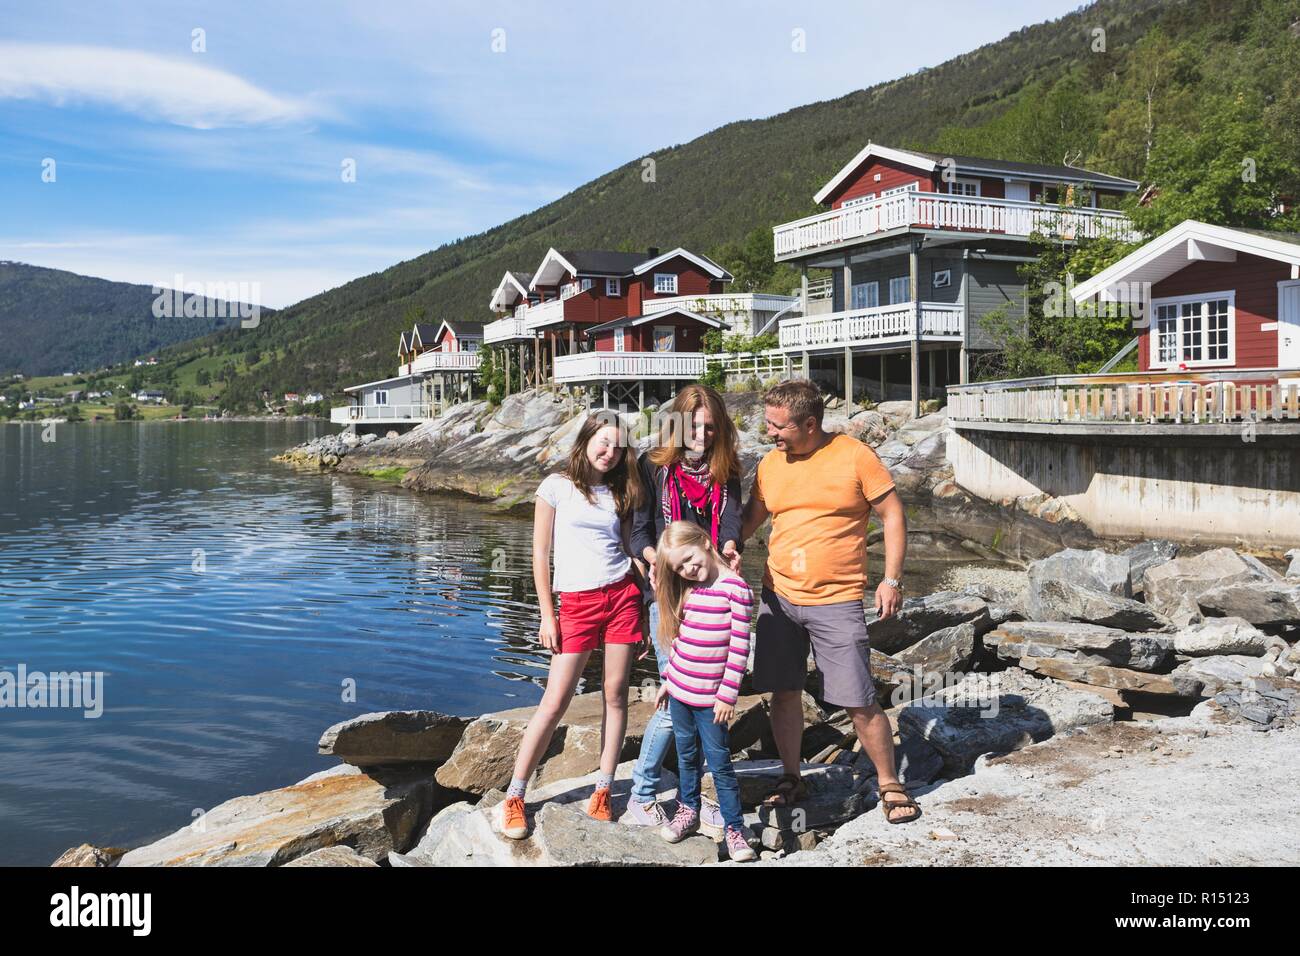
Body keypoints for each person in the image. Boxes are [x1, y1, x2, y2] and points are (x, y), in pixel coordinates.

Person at [739, 380, 921, 824]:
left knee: (858, 697)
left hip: (837, 599)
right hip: (777, 598)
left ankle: (889, 783)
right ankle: (790, 775)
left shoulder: (855, 456)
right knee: (783, 691)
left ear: (810, 423)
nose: (770, 433)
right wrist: (711, 554)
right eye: (768, 424)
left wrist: (891, 579)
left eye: (778, 426)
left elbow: (893, 513)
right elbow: (748, 522)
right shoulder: (770, 464)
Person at [500, 414, 645, 840]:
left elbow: (624, 547)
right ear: (584, 442)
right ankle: (515, 795)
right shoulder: (556, 486)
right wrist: (547, 614)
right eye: (603, 443)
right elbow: (539, 553)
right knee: (555, 701)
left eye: (617, 447)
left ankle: (603, 790)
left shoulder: (620, 489)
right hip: (575, 604)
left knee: (616, 695)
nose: (610, 453)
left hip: (622, 596)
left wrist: (650, 584)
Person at [622, 384, 744, 830]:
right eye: (694, 426)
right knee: (678, 696)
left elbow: (731, 521)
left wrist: (730, 544)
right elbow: (639, 533)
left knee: (706, 697)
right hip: (668, 595)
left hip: (713, 589)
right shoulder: (651, 466)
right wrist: (656, 560)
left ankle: (690, 796)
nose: (703, 434)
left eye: (711, 427)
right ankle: (642, 791)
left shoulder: (725, 468)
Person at [652, 521, 757, 862]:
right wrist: (668, 679)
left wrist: (728, 694)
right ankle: (688, 809)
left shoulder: (735, 589)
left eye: (689, 559)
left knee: (721, 763)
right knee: (686, 756)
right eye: (679, 567)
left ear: (705, 543)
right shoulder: (691, 590)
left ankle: (735, 830)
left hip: (711, 701)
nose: (687, 569)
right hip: (681, 692)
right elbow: (683, 641)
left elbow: (739, 648)